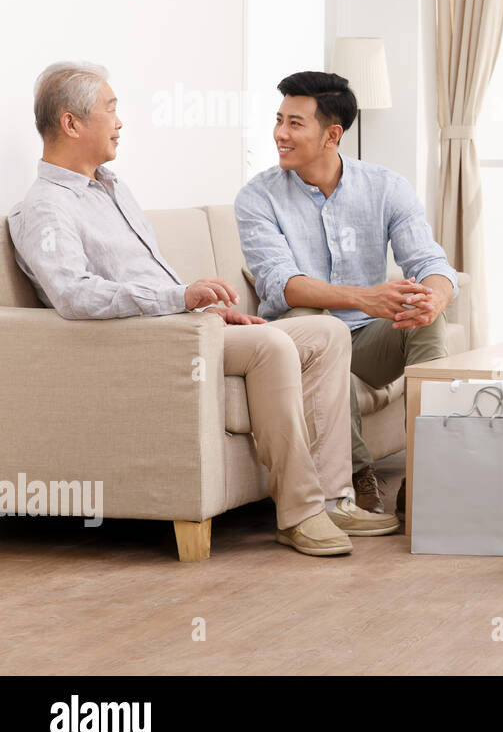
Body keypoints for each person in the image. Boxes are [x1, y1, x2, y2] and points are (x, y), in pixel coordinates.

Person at [9, 62, 398, 555]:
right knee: (271, 344)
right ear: (71, 123)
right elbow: (73, 295)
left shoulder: (113, 189)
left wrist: (208, 312)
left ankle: (334, 498)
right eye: (111, 109)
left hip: (184, 328)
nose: (120, 121)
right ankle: (300, 512)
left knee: (327, 334)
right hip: (152, 342)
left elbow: (149, 279)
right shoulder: (46, 206)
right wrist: (180, 299)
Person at [235, 71, 458, 518]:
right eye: (279, 120)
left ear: (331, 135)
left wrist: (435, 297)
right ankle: (357, 473)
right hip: (306, 341)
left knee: (427, 315)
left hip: (369, 341)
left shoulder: (385, 187)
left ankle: (426, 472)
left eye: (295, 123)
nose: (280, 133)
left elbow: (431, 263)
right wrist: (363, 298)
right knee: (307, 310)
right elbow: (282, 283)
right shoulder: (258, 198)